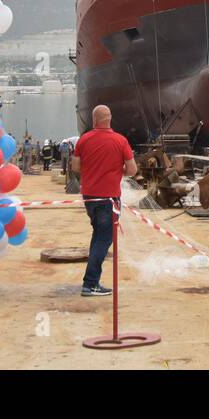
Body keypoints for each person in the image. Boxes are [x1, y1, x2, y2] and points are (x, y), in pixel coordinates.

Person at [70, 105, 136, 297]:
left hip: (90, 197)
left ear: (93, 120)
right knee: (104, 239)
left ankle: (92, 282)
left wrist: (93, 171)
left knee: (98, 235)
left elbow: (75, 166)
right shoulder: (120, 141)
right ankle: (90, 284)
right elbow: (132, 170)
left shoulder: (84, 140)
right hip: (109, 199)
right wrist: (116, 171)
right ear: (110, 119)